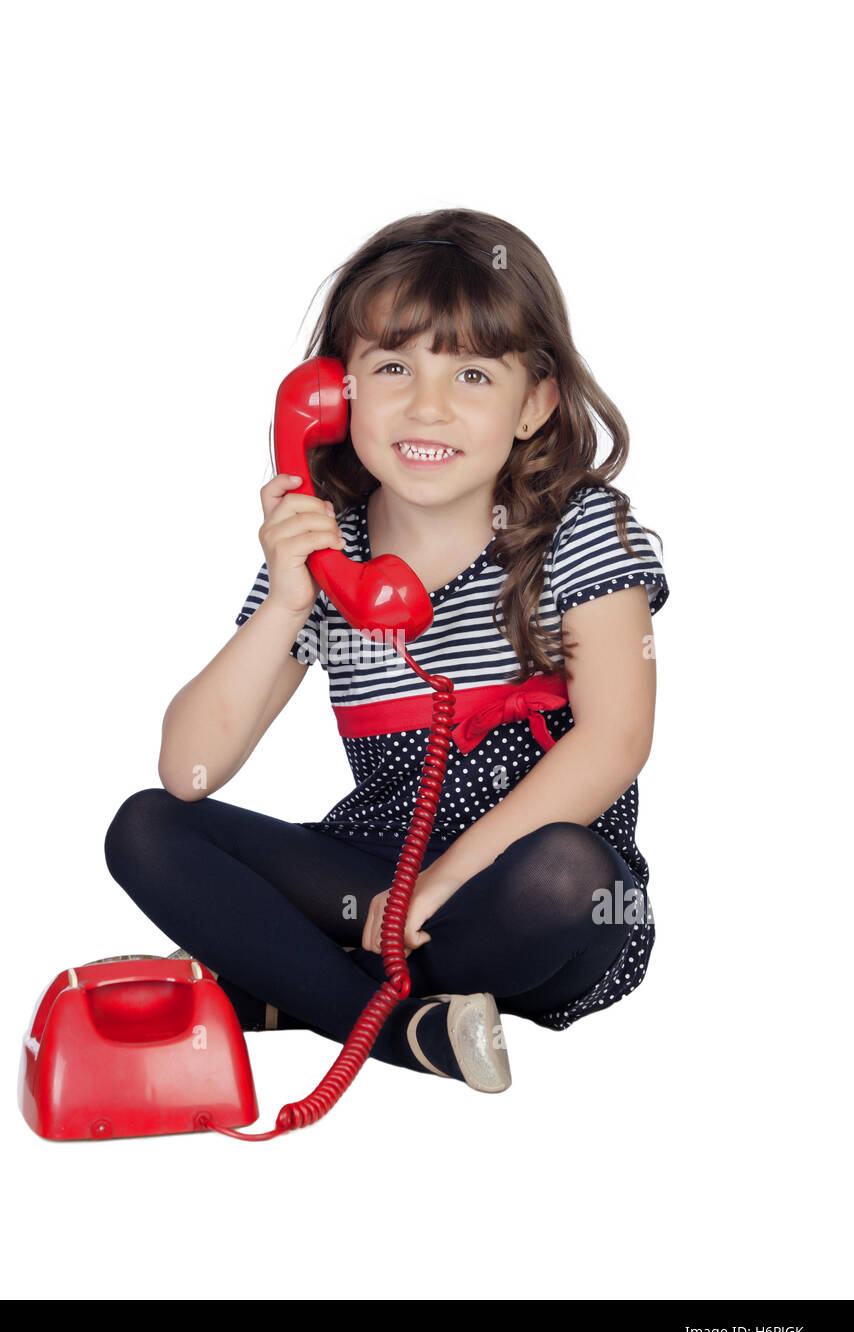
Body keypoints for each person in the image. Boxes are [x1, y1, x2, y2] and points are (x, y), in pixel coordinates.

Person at [104, 208, 669, 1094]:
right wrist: (292, 593)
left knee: (567, 876)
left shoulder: (581, 531)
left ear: (535, 404)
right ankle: (408, 1031)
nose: (427, 406)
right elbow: (191, 769)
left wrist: (439, 885)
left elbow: (615, 739)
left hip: (513, 895)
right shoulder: (330, 549)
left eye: (472, 374)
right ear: (332, 393)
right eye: (393, 366)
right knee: (146, 826)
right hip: (372, 888)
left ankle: (293, 988)